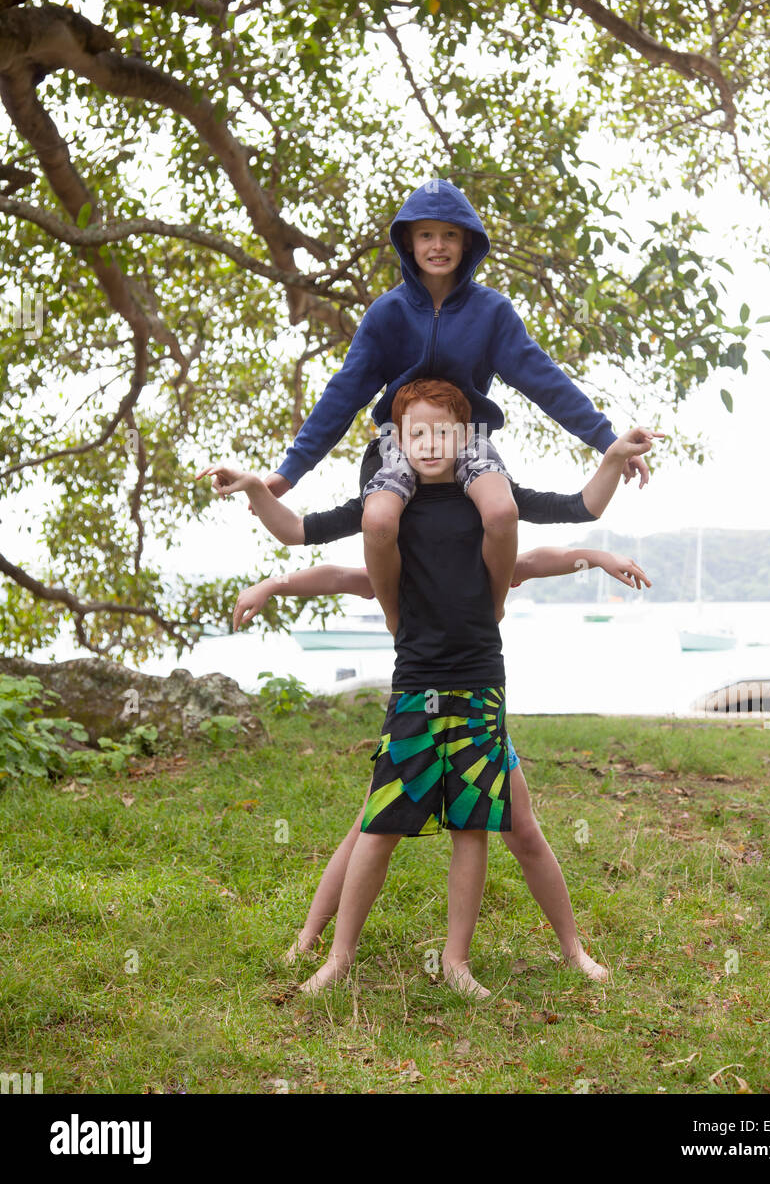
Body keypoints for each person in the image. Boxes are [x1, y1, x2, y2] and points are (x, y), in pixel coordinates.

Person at [198, 380, 661, 996]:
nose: (431, 443)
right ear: (396, 439)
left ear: (468, 437)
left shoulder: (487, 503)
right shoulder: (387, 511)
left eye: (444, 430)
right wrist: (271, 569)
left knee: (488, 828)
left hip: (479, 693)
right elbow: (333, 565)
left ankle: (487, 958)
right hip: (417, 690)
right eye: (415, 432)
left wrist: (598, 551)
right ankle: (330, 954)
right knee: (378, 824)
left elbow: (543, 545)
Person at [255, 179, 653, 635]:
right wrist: (289, 472)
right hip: (397, 442)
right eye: (426, 235)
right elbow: (342, 395)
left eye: (449, 235)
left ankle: (495, 604)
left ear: (468, 242)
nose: (438, 246)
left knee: (502, 512)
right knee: (379, 518)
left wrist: (607, 440)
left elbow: (545, 381)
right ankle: (392, 614)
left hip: (468, 439)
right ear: (408, 241)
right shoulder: (387, 314)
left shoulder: (492, 312)